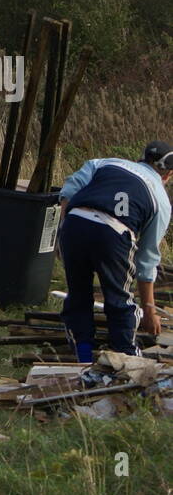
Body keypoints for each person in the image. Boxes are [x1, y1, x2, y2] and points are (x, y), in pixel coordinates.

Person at [57, 141, 173, 360]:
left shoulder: (105, 163)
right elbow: (147, 259)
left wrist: (64, 227)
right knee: (119, 300)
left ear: (142, 157)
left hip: (74, 224)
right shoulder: (161, 200)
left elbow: (71, 187)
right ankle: (127, 358)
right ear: (168, 174)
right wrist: (149, 310)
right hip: (113, 233)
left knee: (78, 295)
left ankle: (83, 357)